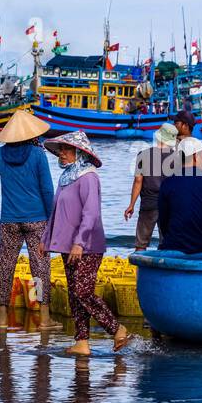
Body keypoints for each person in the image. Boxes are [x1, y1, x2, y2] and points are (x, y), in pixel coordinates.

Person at [40, 130, 130, 357]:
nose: (62, 154)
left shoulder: (89, 177)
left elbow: (91, 214)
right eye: (61, 150)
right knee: (73, 294)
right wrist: (45, 239)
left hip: (87, 245)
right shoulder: (66, 177)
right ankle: (81, 342)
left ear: (79, 153)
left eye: (66, 150)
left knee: (82, 291)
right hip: (67, 246)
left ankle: (117, 329)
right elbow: (55, 211)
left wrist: (79, 243)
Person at [0, 108, 55, 329]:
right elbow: (47, 190)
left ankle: (1, 317)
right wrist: (52, 219)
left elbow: (1, 171)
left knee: (6, 266)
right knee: (39, 267)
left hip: (8, 219)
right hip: (36, 219)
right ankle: (44, 315)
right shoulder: (38, 155)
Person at [156, 136, 202, 253]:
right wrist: (200, 230)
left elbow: (163, 222)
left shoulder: (167, 183)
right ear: (196, 157)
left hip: (172, 245)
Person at [125, 122, 179, 251]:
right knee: (167, 244)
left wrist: (131, 205)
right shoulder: (177, 158)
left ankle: (140, 270)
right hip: (169, 204)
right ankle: (163, 270)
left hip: (148, 203)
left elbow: (138, 180)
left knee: (141, 243)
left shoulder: (143, 155)